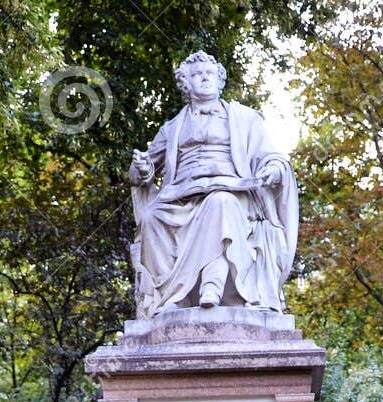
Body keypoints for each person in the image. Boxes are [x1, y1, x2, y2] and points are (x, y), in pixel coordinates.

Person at [128, 51, 298, 316]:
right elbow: (147, 168)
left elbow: (271, 157)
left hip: (231, 190)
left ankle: (212, 285)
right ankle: (172, 295)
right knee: (151, 217)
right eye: (197, 75)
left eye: (209, 74)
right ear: (186, 84)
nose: (204, 78)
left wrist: (273, 170)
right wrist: (142, 168)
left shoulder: (245, 119)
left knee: (219, 203)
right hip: (181, 197)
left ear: (220, 81)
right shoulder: (171, 128)